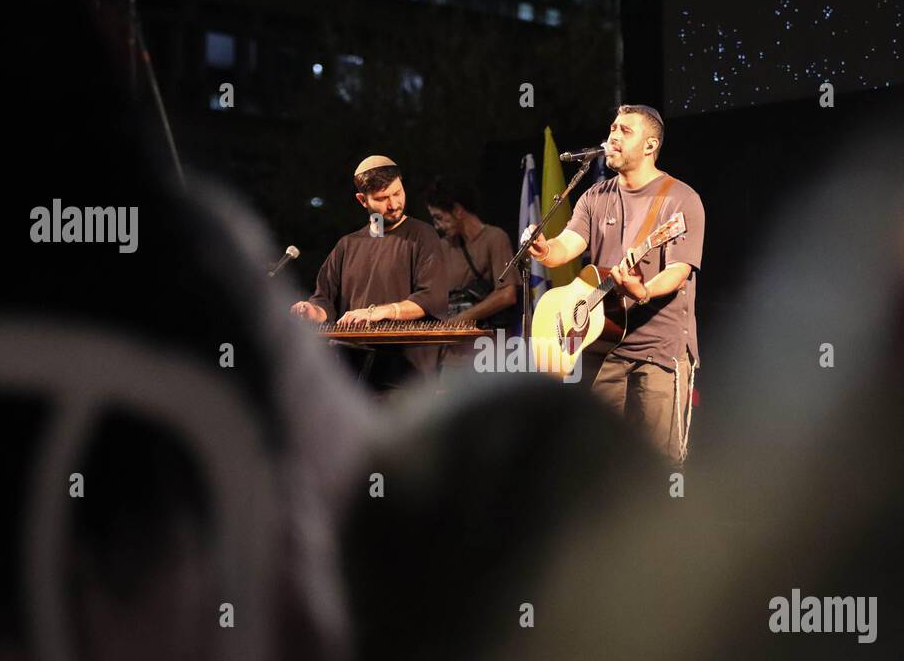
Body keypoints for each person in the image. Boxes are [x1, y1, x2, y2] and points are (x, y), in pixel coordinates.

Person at [529, 105, 705, 463]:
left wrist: (644, 291)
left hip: (658, 352)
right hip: (602, 345)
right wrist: (544, 249)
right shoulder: (595, 196)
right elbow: (567, 247)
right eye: (612, 128)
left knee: (654, 463)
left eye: (625, 130)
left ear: (650, 145)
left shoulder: (680, 199)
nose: (612, 136)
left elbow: (678, 270)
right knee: (597, 460)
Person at [292, 156, 447, 391]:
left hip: (405, 375)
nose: (394, 204)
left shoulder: (422, 235)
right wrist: (312, 311)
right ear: (362, 200)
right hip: (352, 374)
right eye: (382, 199)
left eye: (397, 193)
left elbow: (431, 297)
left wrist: (376, 313)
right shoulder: (347, 245)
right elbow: (325, 300)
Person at [425, 177, 518, 329]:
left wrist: (462, 318)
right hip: (451, 344)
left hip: (487, 343)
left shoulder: (495, 238)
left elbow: (507, 294)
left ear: (457, 210)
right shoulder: (443, 246)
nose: (437, 226)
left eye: (439, 218)